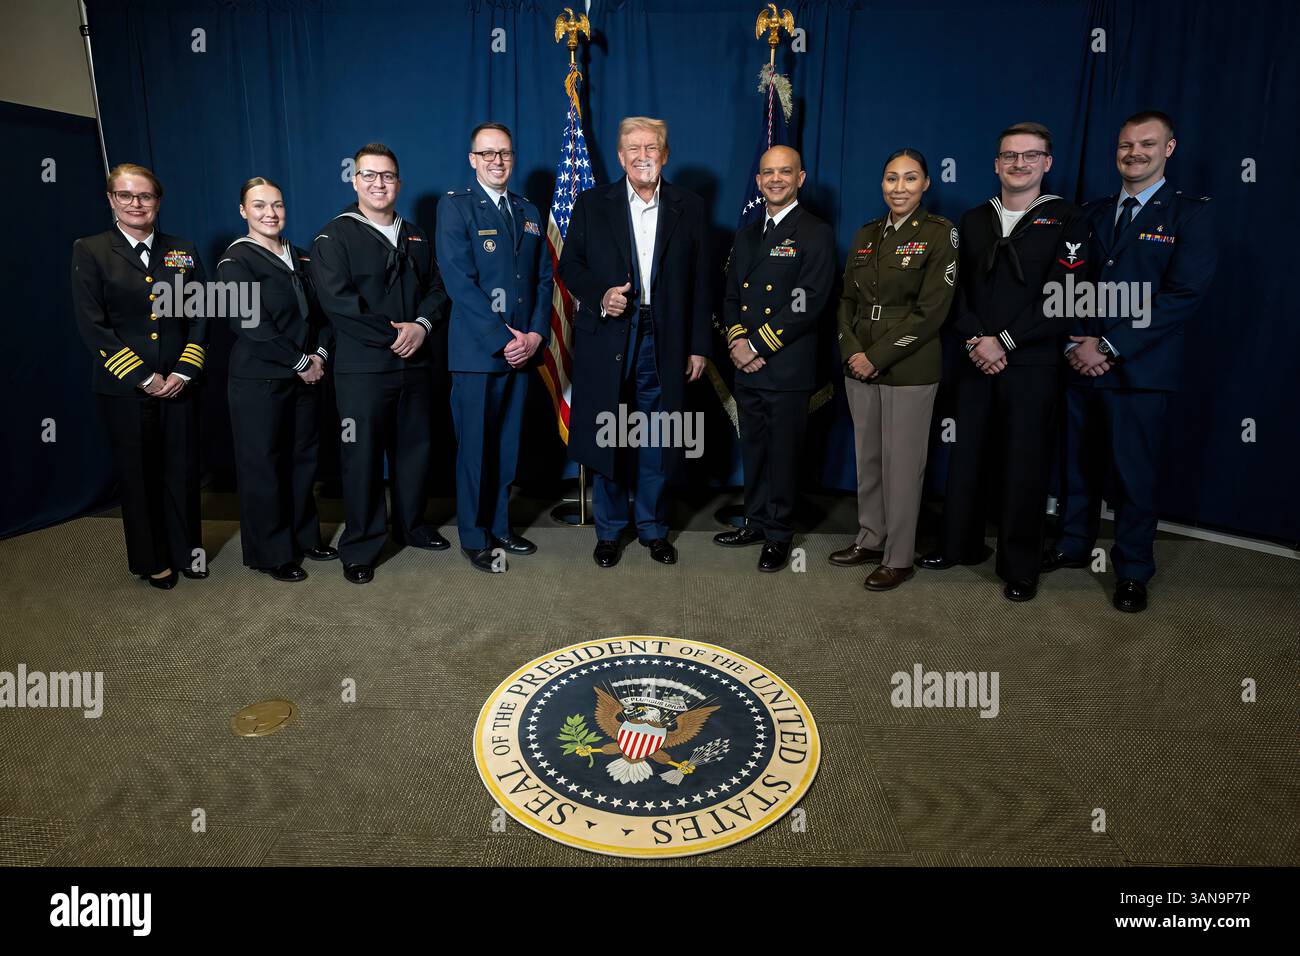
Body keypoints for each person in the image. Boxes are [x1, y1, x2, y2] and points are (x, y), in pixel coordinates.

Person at [1045, 111, 1217, 612]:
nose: (1134, 153)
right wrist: (1077, 344)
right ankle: (1073, 544)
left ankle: (1134, 569)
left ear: (1169, 149)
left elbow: (1181, 296)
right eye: (1125, 145)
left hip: (1141, 370)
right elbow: (1070, 285)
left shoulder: (1190, 213)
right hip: (1081, 362)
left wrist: (1110, 346)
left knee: (1133, 476)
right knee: (1075, 464)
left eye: (1146, 144)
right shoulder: (1091, 212)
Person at [918, 123, 1090, 601]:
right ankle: (959, 544)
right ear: (996, 163)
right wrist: (976, 338)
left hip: (1032, 363)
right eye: (1009, 156)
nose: (1019, 164)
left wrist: (1006, 341)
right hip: (975, 357)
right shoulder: (973, 220)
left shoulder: (1068, 220)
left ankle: (1019, 565)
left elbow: (1066, 293)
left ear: (1047, 163)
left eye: (1030, 156)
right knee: (967, 455)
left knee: (1024, 464)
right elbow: (954, 291)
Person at [558, 116, 711, 568]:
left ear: (665, 154)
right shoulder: (591, 204)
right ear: (621, 156)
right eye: (634, 148)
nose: (643, 154)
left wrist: (699, 344)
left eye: (652, 146)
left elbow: (702, 283)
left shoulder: (691, 206)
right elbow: (569, 266)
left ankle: (652, 528)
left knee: (657, 435)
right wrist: (601, 295)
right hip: (608, 334)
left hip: (665, 337)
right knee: (609, 432)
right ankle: (608, 531)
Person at [309, 143, 449, 584]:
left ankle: (411, 525)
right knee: (362, 457)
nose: (378, 184)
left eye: (387, 176)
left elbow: (438, 288)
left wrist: (422, 326)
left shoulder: (416, 235)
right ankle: (362, 545)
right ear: (355, 180)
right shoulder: (333, 237)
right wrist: (396, 335)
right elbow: (340, 306)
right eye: (369, 175)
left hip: (415, 365)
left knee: (415, 451)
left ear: (398, 182)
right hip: (364, 370)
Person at [70, 163, 208, 590]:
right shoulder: (91, 250)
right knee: (139, 475)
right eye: (126, 196)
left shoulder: (181, 249)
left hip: (179, 383)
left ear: (158, 201)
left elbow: (199, 314)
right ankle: (152, 560)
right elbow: (94, 327)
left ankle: (188, 552)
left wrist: (184, 370)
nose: (136, 204)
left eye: (145, 196)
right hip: (126, 389)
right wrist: (145, 378)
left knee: (182, 472)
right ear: (111, 200)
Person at [832, 149, 958, 591]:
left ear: (926, 184)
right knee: (868, 458)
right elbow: (845, 300)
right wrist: (851, 351)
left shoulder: (940, 234)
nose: (898, 187)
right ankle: (871, 536)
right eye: (891, 179)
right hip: (858, 363)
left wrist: (876, 357)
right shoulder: (866, 234)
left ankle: (899, 555)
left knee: (903, 465)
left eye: (909, 179)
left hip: (909, 366)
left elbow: (931, 313)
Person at [436, 123, 553, 573]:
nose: (496, 161)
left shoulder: (527, 209)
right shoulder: (456, 207)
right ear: (472, 159)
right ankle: (474, 535)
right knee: (475, 449)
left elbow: (542, 280)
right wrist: (506, 339)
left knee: (506, 446)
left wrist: (536, 335)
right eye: (487, 154)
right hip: (479, 352)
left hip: (523, 349)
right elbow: (459, 283)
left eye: (503, 153)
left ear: (513, 156)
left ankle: (501, 526)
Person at [714, 145, 835, 571]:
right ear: (759, 180)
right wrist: (736, 341)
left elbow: (810, 301)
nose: (776, 179)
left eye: (785, 172)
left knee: (784, 454)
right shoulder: (746, 235)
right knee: (755, 450)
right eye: (768, 173)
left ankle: (779, 535)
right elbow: (730, 295)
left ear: (800, 178)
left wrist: (757, 345)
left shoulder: (815, 232)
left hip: (785, 366)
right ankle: (755, 520)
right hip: (747, 366)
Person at [217, 177, 338, 582]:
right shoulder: (235, 260)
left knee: (303, 461)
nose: (271, 213)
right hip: (260, 380)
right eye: (259, 205)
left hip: (305, 377)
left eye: (278, 205)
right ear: (243, 211)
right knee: (263, 466)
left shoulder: (301, 256)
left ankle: (305, 537)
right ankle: (272, 552)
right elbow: (249, 322)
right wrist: (300, 361)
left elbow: (324, 316)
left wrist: (318, 355)